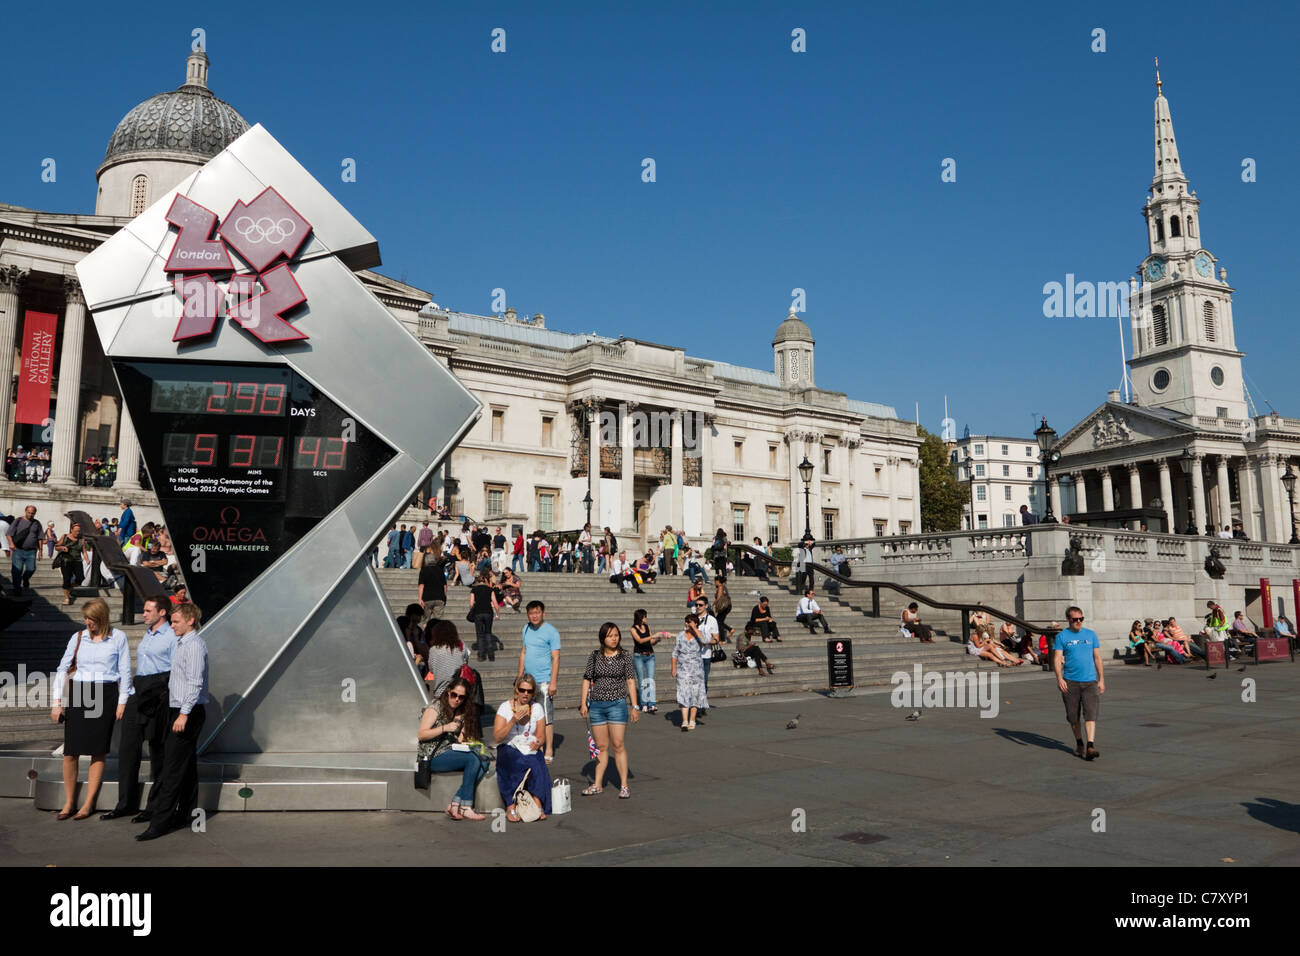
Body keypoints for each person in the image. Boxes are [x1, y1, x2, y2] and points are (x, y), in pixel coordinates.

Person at [50, 598, 130, 820]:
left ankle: (88, 802)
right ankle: (69, 801)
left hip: (106, 694)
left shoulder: (118, 638)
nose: (87, 623)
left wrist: (122, 701)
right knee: (71, 751)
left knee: (98, 750)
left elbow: (125, 671)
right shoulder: (78, 637)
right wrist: (56, 702)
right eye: (85, 618)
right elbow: (62, 668)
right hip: (80, 693)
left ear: (102, 618)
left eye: (91, 619)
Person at [137, 602, 209, 840]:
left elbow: (195, 682)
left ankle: (160, 822)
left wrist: (184, 714)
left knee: (172, 768)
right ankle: (184, 813)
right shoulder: (181, 643)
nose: (172, 626)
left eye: (176, 622)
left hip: (186, 712)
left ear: (190, 621)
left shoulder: (195, 646)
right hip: (176, 709)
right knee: (185, 766)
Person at [101, 598, 176, 820]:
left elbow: (175, 670)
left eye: (147, 610)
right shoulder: (148, 633)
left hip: (158, 693)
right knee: (128, 748)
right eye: (143, 610)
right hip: (138, 691)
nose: (143, 614)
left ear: (162, 612)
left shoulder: (172, 636)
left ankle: (154, 807)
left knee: (157, 750)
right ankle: (126, 803)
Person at [580, 622, 640, 798]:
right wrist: (583, 703)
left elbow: (630, 680)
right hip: (597, 706)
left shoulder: (624, 656)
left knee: (618, 745)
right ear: (603, 638)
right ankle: (597, 784)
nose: (614, 638)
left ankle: (624, 785)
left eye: (616, 635)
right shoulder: (595, 656)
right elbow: (586, 679)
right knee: (601, 747)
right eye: (610, 635)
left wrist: (634, 706)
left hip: (617, 704)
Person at [418, 677, 489, 820]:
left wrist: (464, 733)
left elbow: (460, 740)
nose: (457, 699)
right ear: (448, 692)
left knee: (484, 759)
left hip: (449, 751)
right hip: (432, 755)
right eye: (454, 695)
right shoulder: (435, 707)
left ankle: (456, 802)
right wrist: (444, 728)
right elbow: (422, 735)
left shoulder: (459, 711)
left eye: (461, 697)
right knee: (472, 759)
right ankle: (466, 807)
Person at [493, 675, 551, 820]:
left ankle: (537, 803)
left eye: (529, 691)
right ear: (516, 690)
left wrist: (538, 743)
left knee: (537, 759)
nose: (525, 694)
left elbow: (541, 736)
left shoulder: (537, 708)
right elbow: (498, 737)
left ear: (533, 693)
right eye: (522, 690)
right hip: (508, 745)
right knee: (511, 760)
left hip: (527, 746)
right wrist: (513, 720)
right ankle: (510, 805)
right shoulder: (505, 707)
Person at [1052, 606, 1104, 761]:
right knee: (1073, 717)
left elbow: (1097, 658)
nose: (1079, 622)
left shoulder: (1091, 635)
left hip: (1090, 681)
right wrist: (1059, 678)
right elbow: (1056, 659)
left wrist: (1101, 679)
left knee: (1090, 715)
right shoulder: (1062, 636)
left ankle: (1090, 746)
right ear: (1068, 619)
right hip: (1070, 682)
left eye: (1081, 619)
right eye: (1075, 619)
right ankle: (1079, 743)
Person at [517, 601, 561, 763]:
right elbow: (523, 652)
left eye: (537, 612)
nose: (534, 616)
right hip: (528, 681)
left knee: (546, 717)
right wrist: (519, 676)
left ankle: (549, 749)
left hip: (544, 681)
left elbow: (556, 658)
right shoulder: (526, 628)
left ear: (543, 613)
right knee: (529, 715)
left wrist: (553, 682)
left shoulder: (551, 632)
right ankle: (536, 746)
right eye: (531, 613)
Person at [671, 614, 710, 730]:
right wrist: (673, 668)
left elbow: (705, 641)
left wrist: (695, 629)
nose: (687, 624)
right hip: (682, 669)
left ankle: (692, 720)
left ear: (696, 623)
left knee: (695, 694)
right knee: (683, 693)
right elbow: (675, 653)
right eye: (686, 622)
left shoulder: (699, 635)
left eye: (690, 622)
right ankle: (684, 721)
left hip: (696, 669)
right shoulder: (680, 636)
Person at [424, 620, 470, 701]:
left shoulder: (434, 650)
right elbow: (465, 661)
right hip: (459, 690)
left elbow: (431, 669)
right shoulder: (460, 645)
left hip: (440, 691)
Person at [629, 608, 665, 714]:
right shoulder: (633, 629)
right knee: (641, 680)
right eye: (645, 616)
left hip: (650, 656)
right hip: (638, 656)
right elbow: (639, 640)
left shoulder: (647, 626)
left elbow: (650, 641)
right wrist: (652, 636)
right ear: (640, 617)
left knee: (650, 680)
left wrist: (657, 639)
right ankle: (644, 704)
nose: (646, 618)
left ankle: (652, 704)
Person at [8, 504, 42, 595]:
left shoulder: (37, 523)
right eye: (29, 512)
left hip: (31, 551)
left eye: (32, 513)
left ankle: (26, 578)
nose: (30, 515)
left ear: (35, 513)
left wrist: (40, 551)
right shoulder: (18, 521)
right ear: (25, 511)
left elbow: (40, 537)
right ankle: (17, 589)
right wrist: (11, 543)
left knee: (31, 569)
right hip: (18, 550)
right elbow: (9, 533)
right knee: (17, 570)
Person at [54, 521, 88, 606]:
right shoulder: (65, 537)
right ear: (71, 530)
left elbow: (84, 551)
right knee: (66, 579)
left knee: (80, 578)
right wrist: (62, 547)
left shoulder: (81, 539)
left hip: (77, 560)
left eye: (79, 531)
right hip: (66, 561)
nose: (77, 533)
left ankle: (69, 588)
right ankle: (66, 598)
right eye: (76, 531)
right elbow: (56, 547)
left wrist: (87, 559)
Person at [693, 596, 720, 693]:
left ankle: (700, 704)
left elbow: (716, 639)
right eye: (696, 605)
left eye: (700, 605)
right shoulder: (692, 618)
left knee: (703, 681)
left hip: (706, 655)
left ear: (706, 606)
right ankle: (694, 705)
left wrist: (706, 641)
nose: (698, 607)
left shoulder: (712, 620)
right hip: (693, 655)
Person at [467, 572, 497, 662]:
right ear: (485, 580)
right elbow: (495, 602)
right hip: (488, 612)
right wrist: (498, 613)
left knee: (480, 634)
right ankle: (490, 649)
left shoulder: (474, 590)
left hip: (478, 613)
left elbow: (471, 604)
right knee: (488, 632)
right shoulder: (489, 589)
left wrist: (472, 609)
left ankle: (481, 655)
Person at [418, 543, 449, 621]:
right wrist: (444, 596)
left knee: (426, 621)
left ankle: (426, 632)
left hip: (427, 598)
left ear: (426, 561)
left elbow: (421, 586)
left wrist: (420, 598)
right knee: (438, 621)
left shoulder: (424, 570)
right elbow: (445, 586)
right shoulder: (440, 570)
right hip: (440, 597)